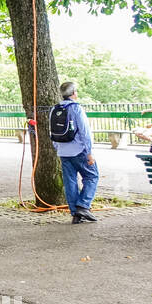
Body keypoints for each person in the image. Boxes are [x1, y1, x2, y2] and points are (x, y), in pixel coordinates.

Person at [52, 81, 98, 223]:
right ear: (73, 93)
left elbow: (52, 132)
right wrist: (89, 152)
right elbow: (84, 132)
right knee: (92, 176)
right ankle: (83, 206)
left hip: (63, 151)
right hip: (79, 150)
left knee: (70, 182)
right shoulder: (76, 109)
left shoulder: (55, 109)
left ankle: (75, 214)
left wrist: (58, 148)